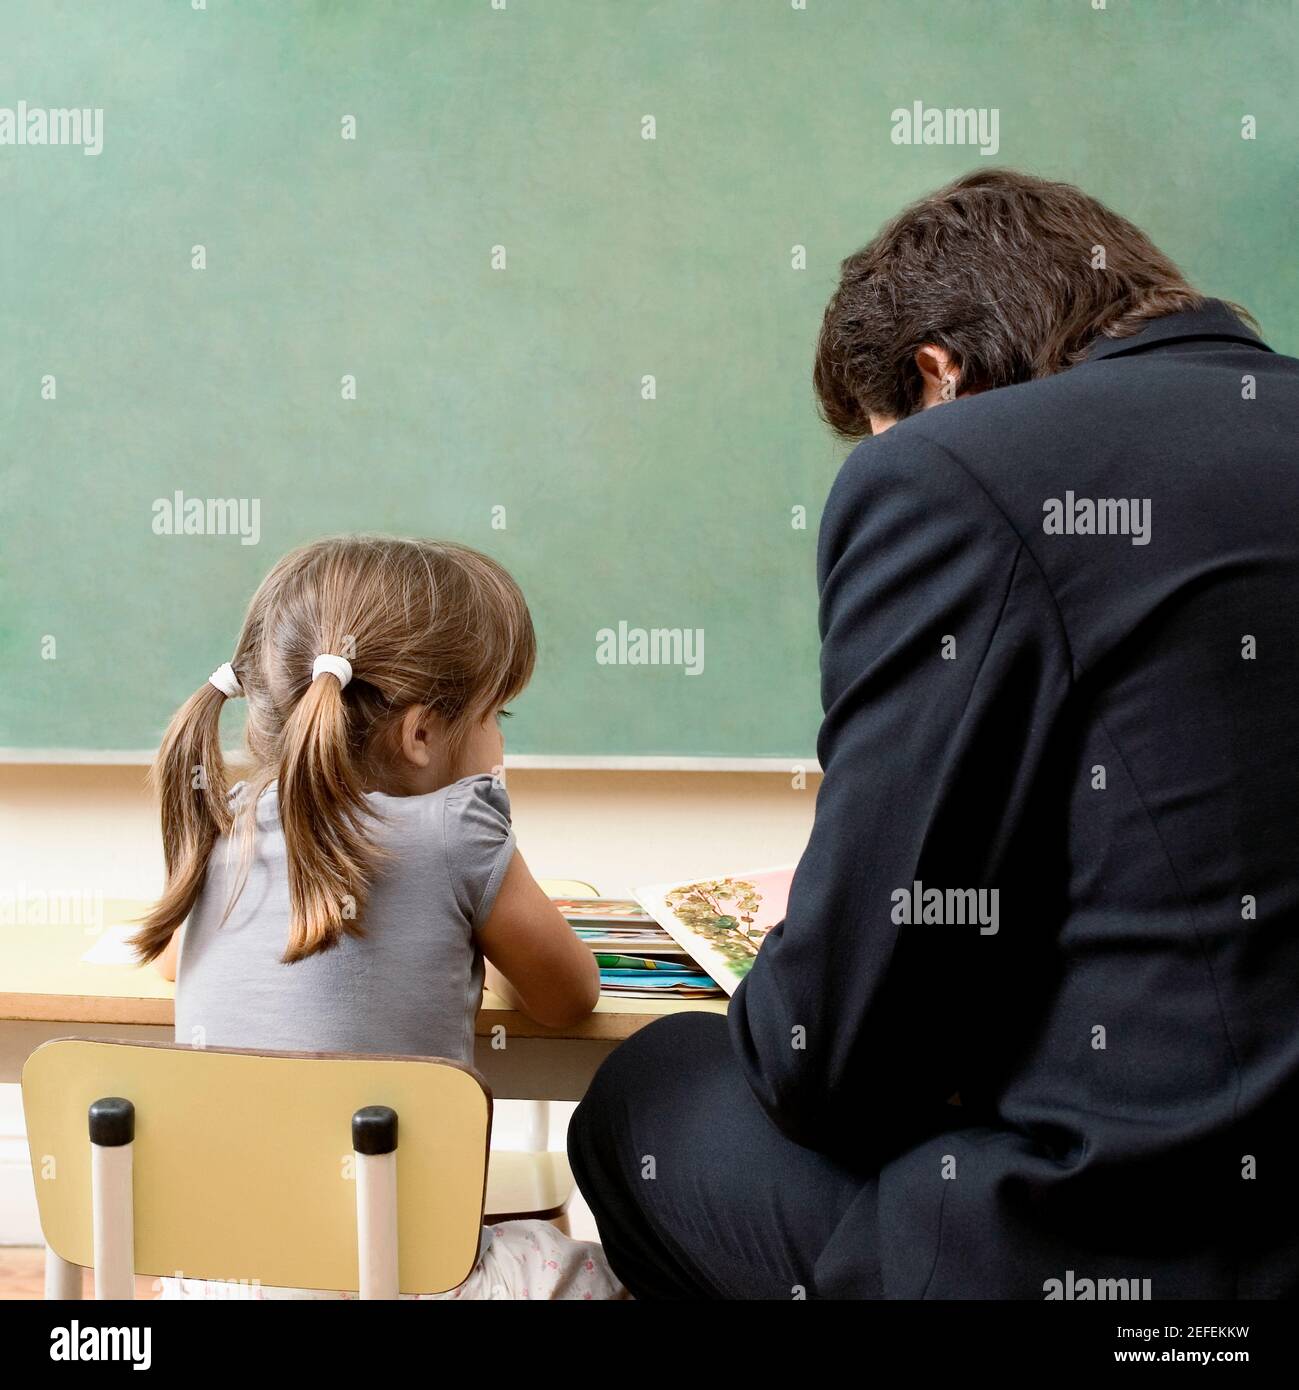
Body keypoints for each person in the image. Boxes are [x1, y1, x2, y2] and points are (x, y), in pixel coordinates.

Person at [568, 169, 1299, 1299]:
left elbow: (834, 1061)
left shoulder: (955, 468)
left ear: (936, 373)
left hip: (1121, 1250)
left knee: (651, 1091)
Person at [133, 535, 623, 1300]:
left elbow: (173, 963)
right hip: (407, 1281)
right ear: (423, 733)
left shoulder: (222, 818)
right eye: (499, 715)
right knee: (597, 1269)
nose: (500, 740)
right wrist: (481, 928)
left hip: (220, 1281)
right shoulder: (461, 830)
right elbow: (568, 997)